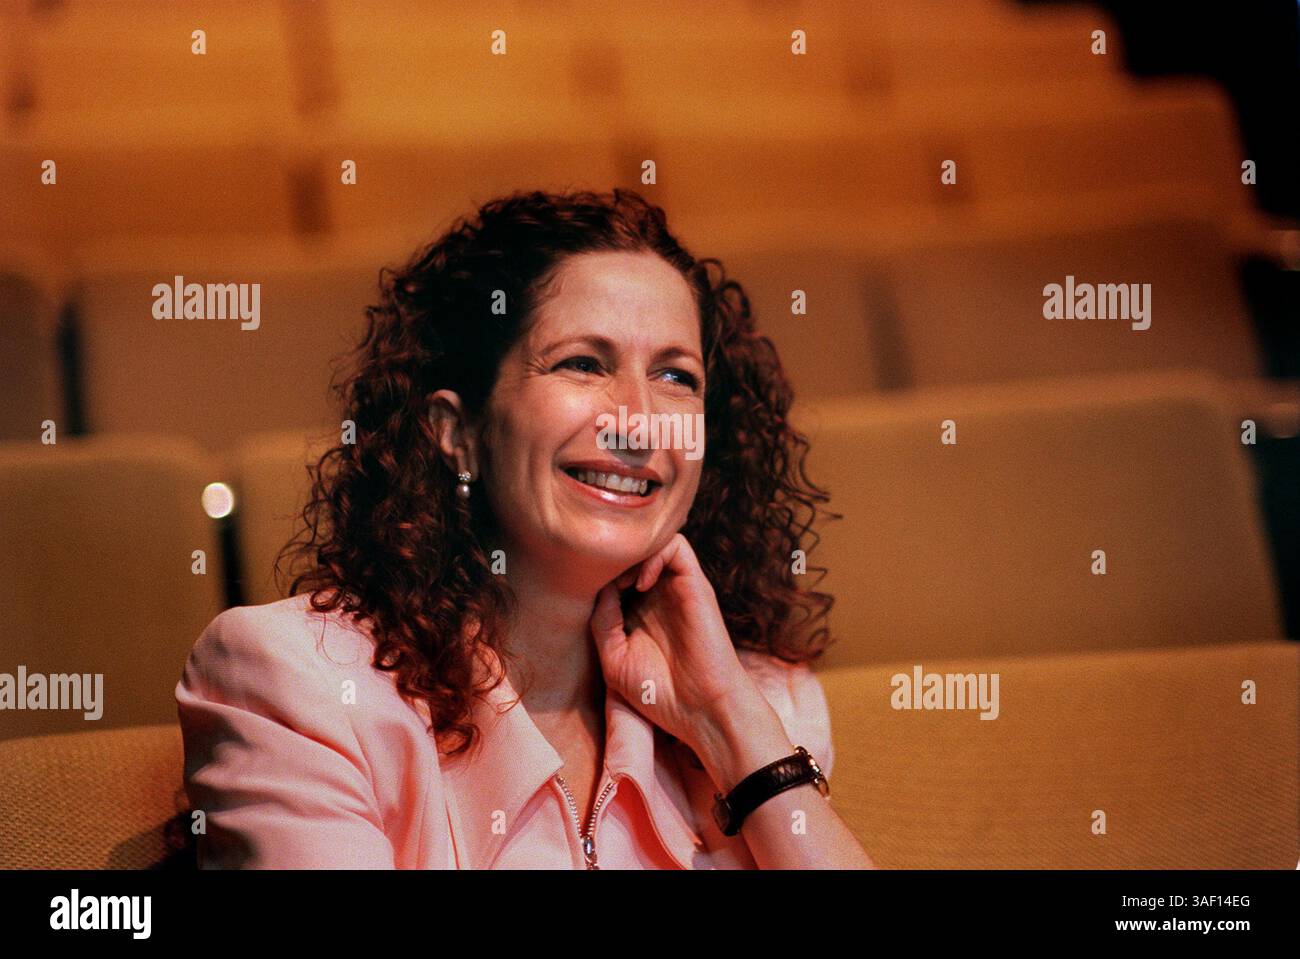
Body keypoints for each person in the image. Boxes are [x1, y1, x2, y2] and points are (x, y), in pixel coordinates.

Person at [175, 188, 876, 869]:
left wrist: (727, 724)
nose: (638, 420)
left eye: (676, 376)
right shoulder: (296, 684)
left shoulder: (765, 699)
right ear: (458, 433)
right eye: (582, 363)